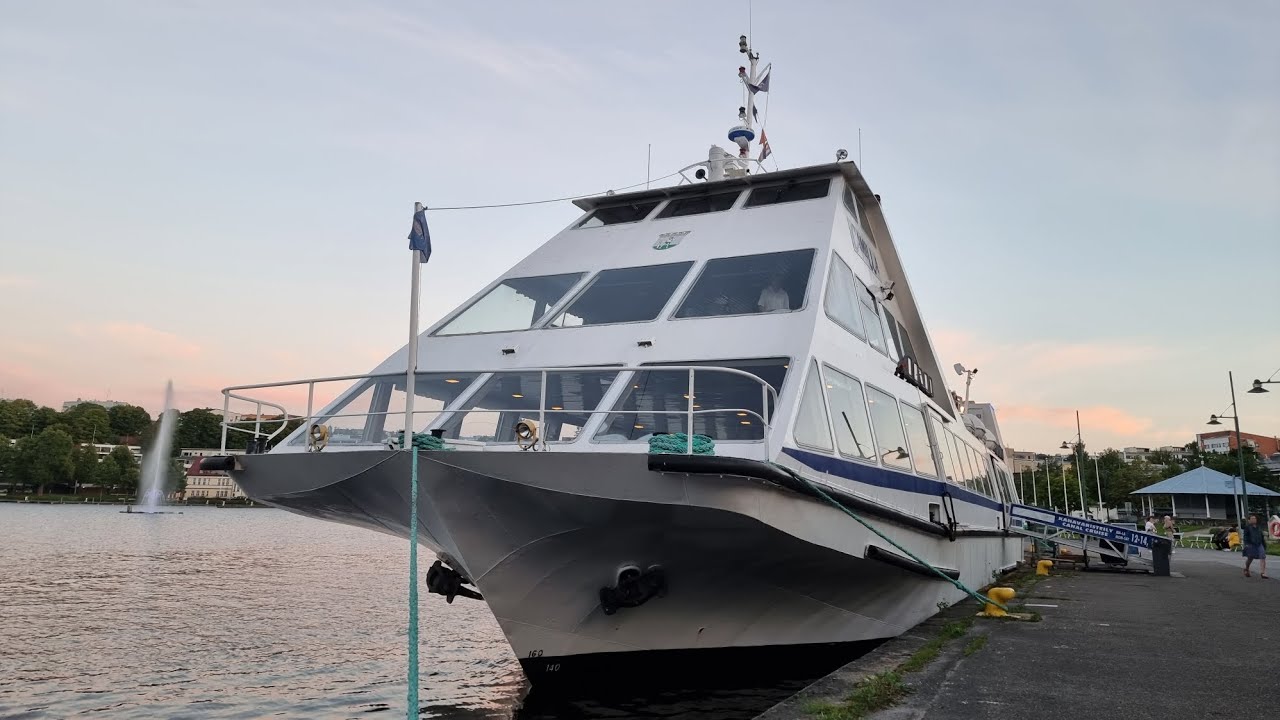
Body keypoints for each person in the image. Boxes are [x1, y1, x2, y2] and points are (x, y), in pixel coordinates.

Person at [1242, 515, 1268, 579]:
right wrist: (1246, 544)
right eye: (1252, 518)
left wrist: (1264, 544)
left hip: (1259, 544)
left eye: (1255, 518)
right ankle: (1246, 569)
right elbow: (1245, 536)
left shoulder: (1259, 527)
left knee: (1262, 556)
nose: (1254, 519)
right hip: (1251, 544)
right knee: (1250, 558)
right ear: (1249, 520)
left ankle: (1263, 573)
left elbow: (1261, 536)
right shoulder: (1247, 527)